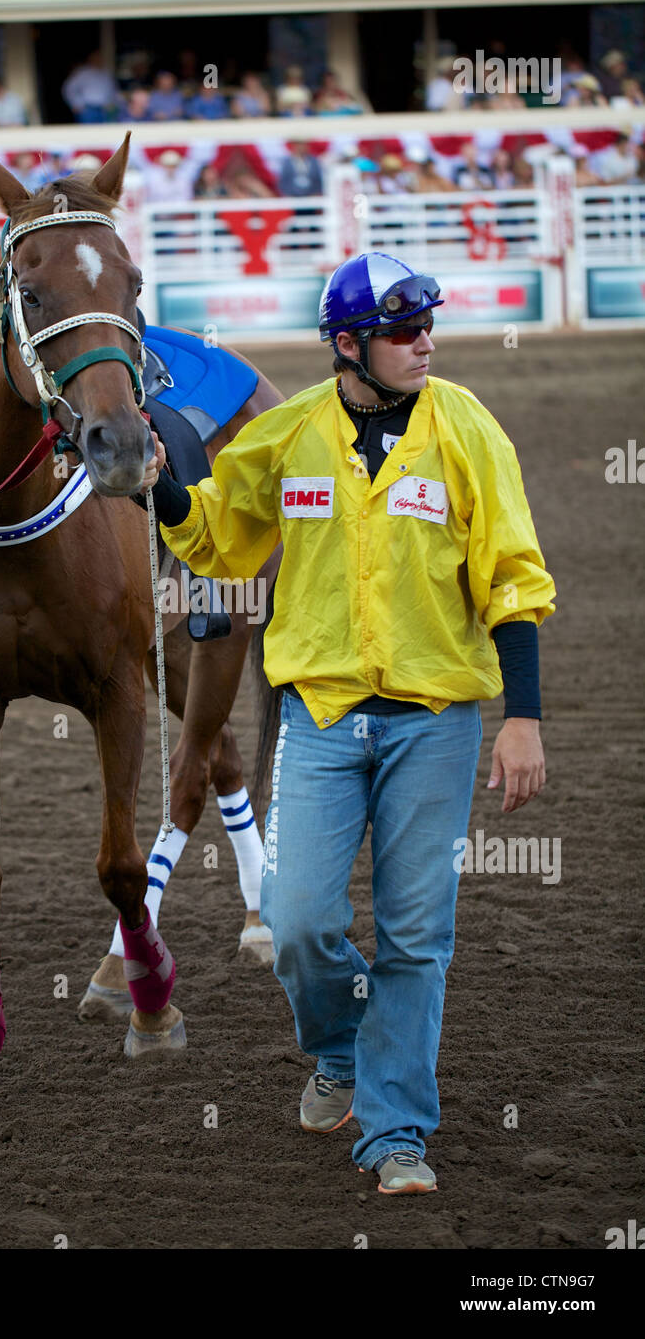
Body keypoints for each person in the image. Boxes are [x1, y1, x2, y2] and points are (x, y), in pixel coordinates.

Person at [137, 251, 556, 1195]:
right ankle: (339, 1049)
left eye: (427, 328)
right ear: (348, 345)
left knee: (415, 936)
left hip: (436, 722)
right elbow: (211, 531)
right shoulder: (288, 437)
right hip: (320, 720)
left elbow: (513, 575)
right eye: (403, 331)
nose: (424, 344)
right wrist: (160, 483)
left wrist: (521, 716)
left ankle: (396, 1133)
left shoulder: (466, 429)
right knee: (296, 923)